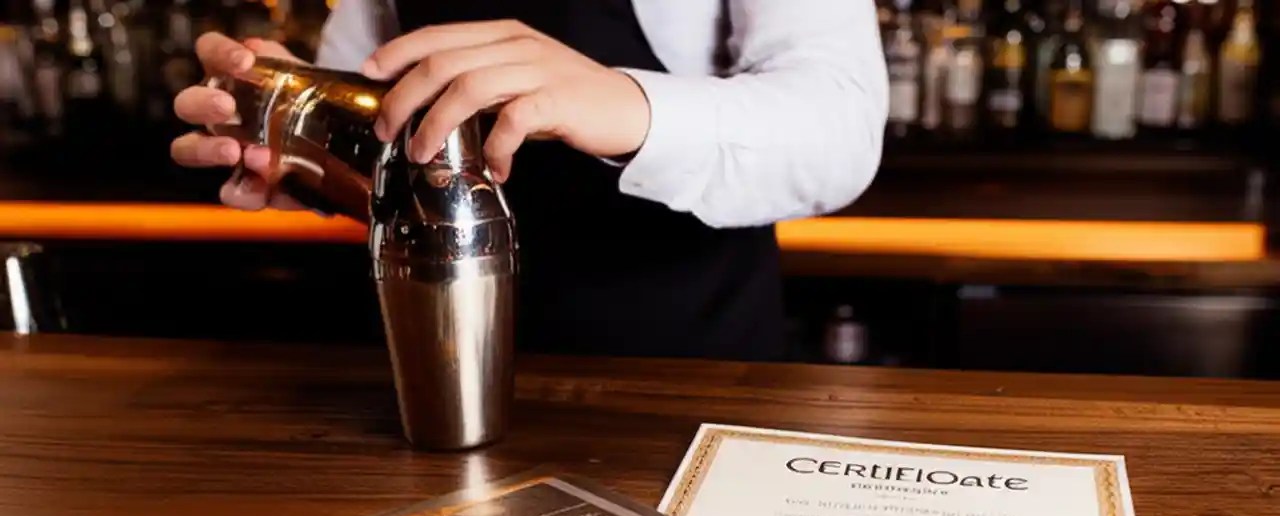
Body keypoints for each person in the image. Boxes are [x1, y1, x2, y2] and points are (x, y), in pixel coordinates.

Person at [170, 0, 888, 362]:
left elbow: (841, 129)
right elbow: (387, 126)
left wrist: (626, 104)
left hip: (683, 377)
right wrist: (296, 135)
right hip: (428, 367)